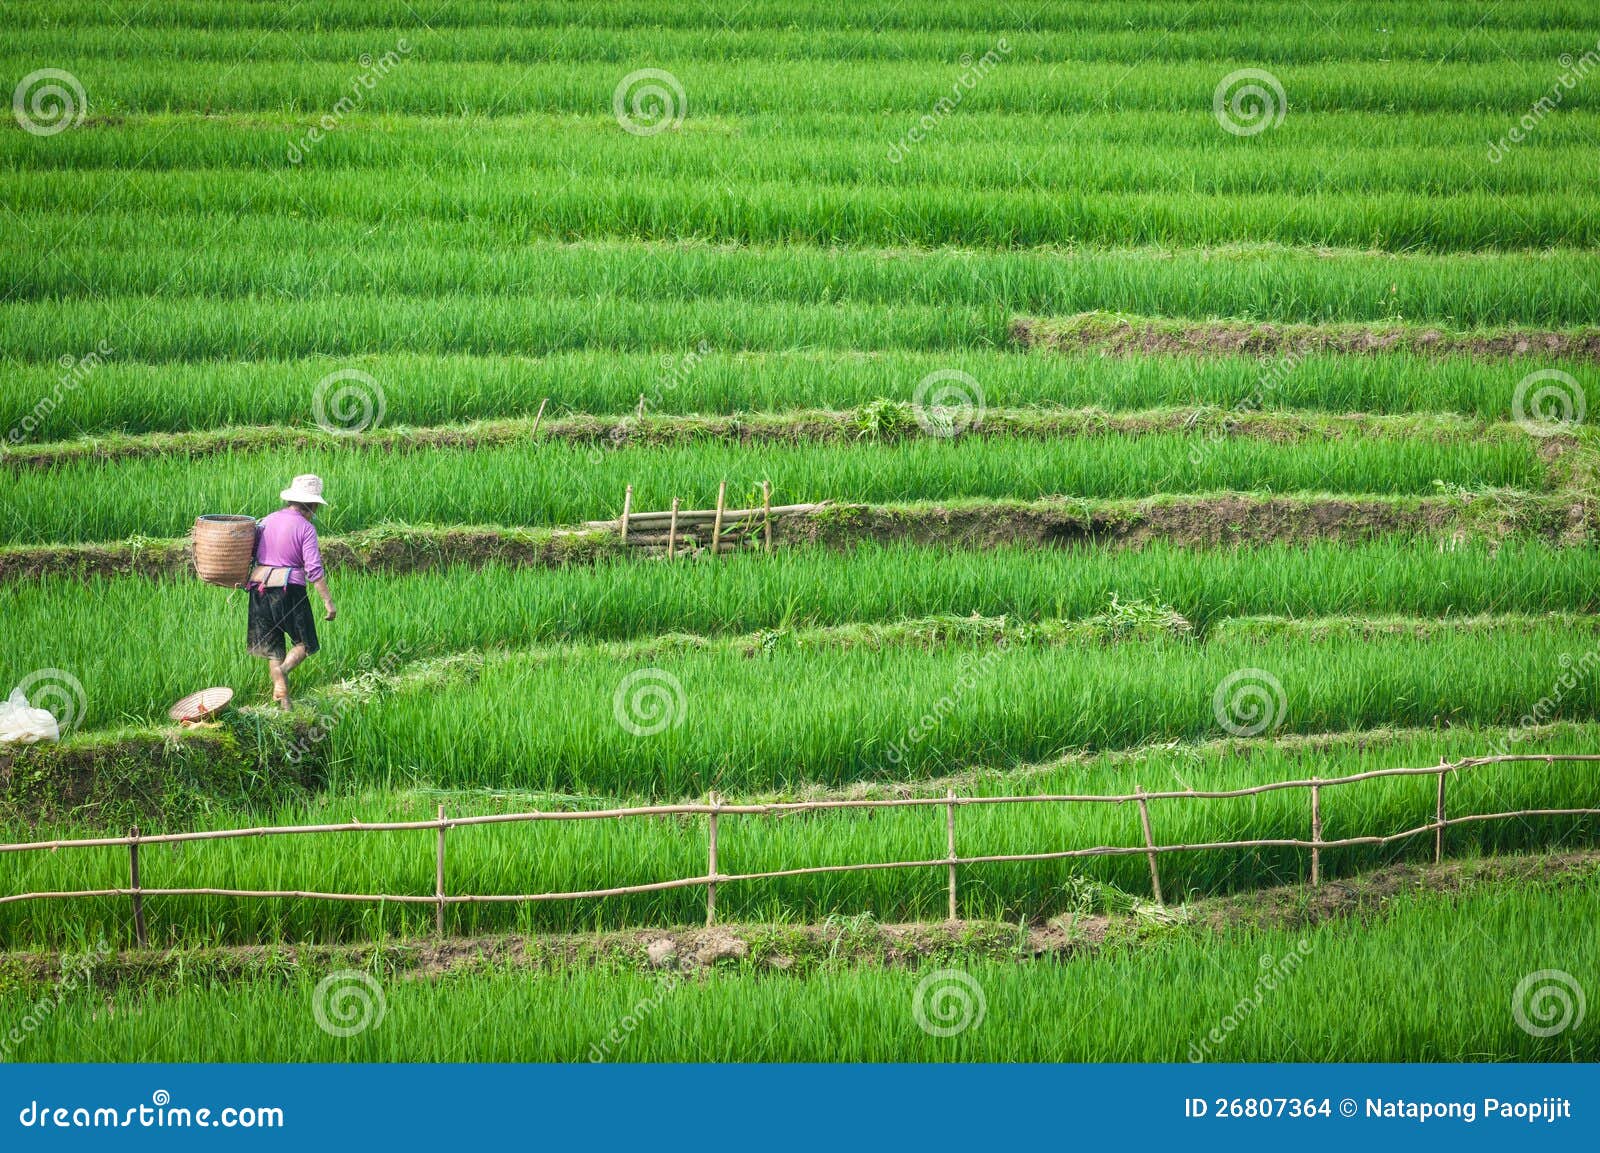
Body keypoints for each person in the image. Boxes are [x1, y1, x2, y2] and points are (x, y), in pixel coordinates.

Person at [248, 474, 337, 709]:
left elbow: (250, 553)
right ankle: (282, 672)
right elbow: (314, 570)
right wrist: (328, 602)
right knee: (304, 643)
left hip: (258, 588)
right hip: (289, 589)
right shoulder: (306, 528)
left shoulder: (265, 520)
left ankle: (286, 707)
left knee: (274, 647)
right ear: (313, 505)